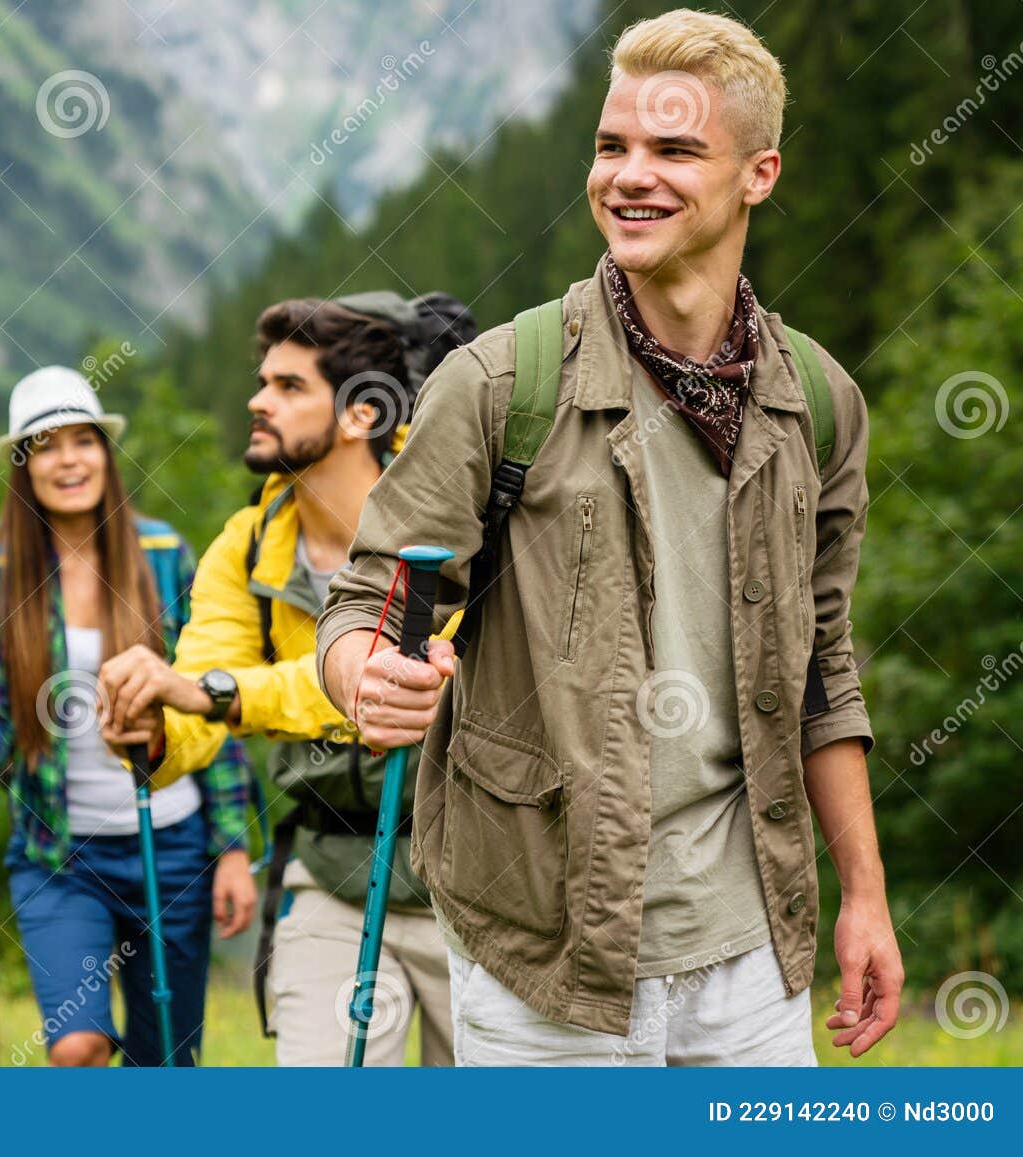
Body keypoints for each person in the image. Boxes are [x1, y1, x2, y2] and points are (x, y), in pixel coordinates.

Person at [318, 9, 903, 1065]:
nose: (629, 176)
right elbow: (365, 605)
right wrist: (363, 675)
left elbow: (822, 668)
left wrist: (862, 893)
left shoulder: (819, 400)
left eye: (675, 150)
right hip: (541, 952)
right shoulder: (502, 383)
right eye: (610, 145)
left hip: (750, 957)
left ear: (757, 175)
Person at [98, 292, 475, 1066]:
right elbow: (204, 684)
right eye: (262, 380)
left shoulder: (455, 514)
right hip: (331, 875)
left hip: (478, 885)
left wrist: (212, 694)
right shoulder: (246, 546)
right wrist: (153, 726)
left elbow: (377, 684)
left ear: (361, 414)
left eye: (288, 386)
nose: (257, 400)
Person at [0, 366, 257, 1068]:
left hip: (171, 844)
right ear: (24, 467)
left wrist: (233, 846)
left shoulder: (163, 554)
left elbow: (212, 699)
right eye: (46, 445)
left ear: (105, 454)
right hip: (60, 857)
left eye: (83, 440)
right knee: (77, 1045)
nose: (68, 460)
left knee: (167, 1060)